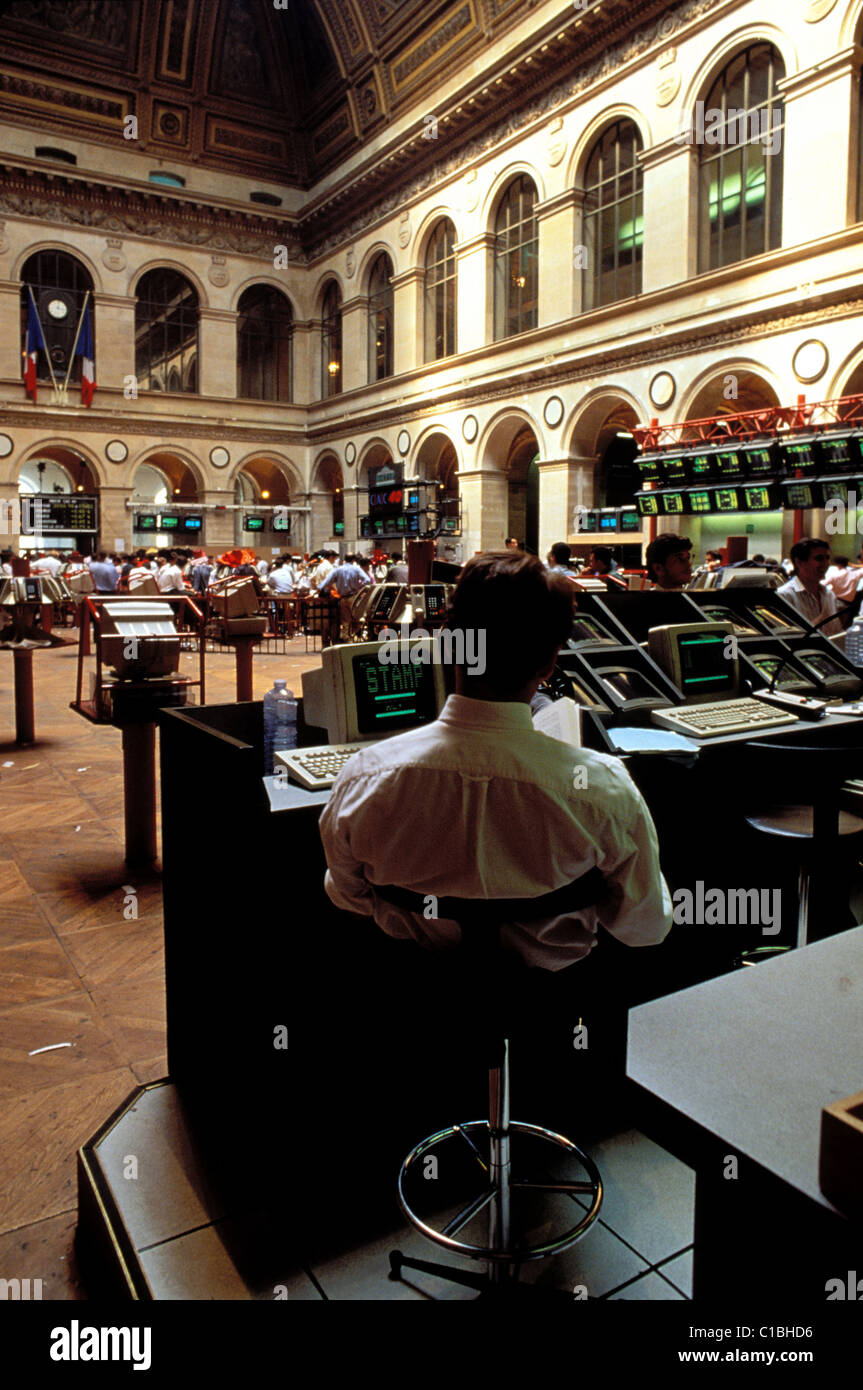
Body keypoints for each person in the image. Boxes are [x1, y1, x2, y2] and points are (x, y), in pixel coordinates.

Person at [320, 551, 672, 975]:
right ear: (548, 664)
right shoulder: (604, 789)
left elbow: (347, 895)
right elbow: (645, 928)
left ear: (452, 650)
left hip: (414, 990)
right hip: (552, 1004)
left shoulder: (365, 776)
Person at [777, 538, 846, 636]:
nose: (826, 564)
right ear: (799, 562)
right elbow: (786, 638)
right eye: (819, 558)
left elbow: (836, 632)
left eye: (827, 558)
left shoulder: (829, 594)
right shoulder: (785, 596)